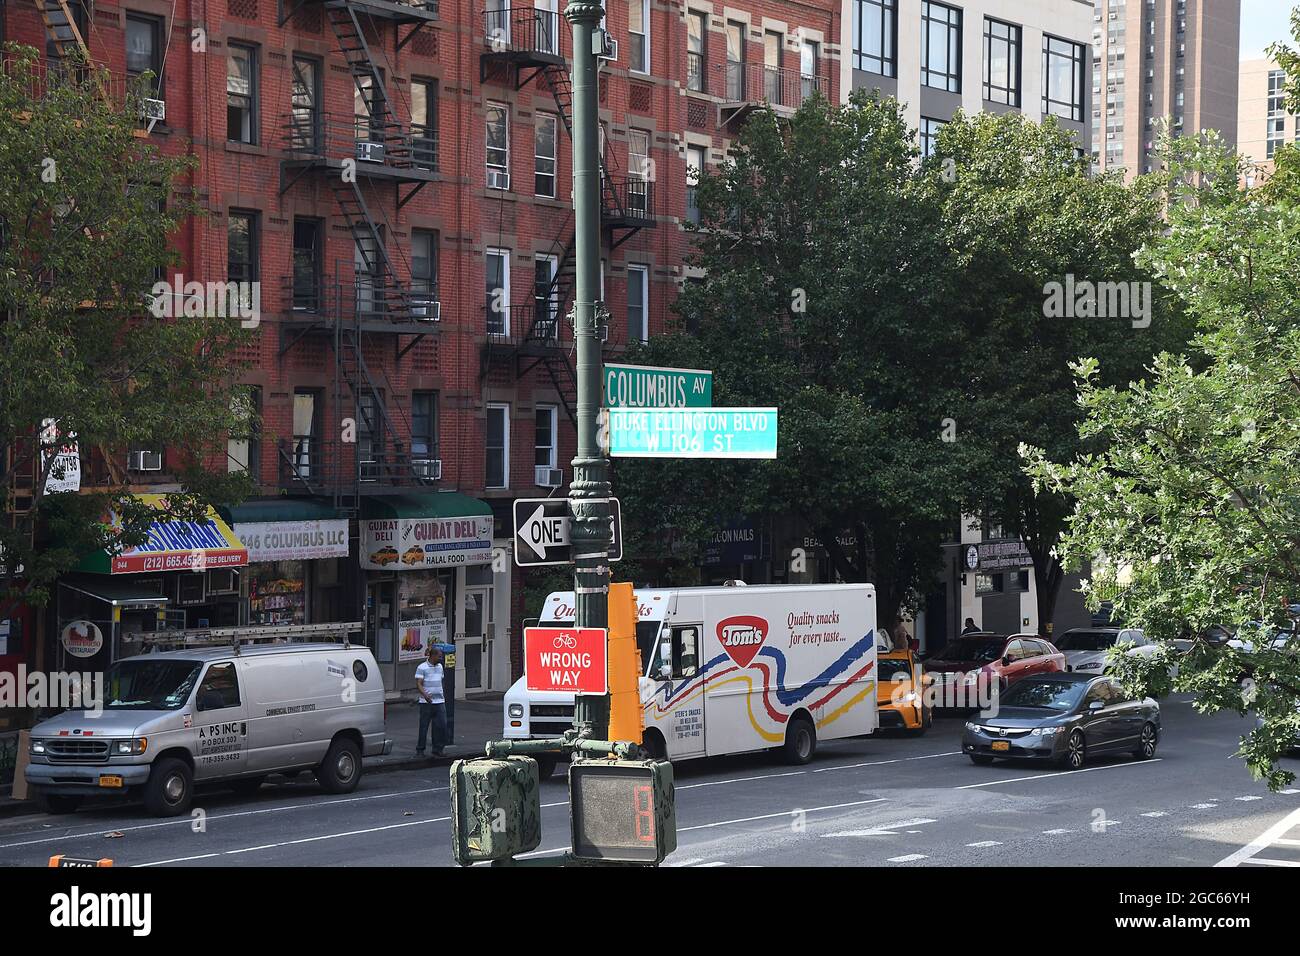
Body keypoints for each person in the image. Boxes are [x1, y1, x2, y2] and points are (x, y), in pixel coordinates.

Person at [415, 647, 447, 757]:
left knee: (441, 726)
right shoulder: (422, 667)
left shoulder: (440, 667)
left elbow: (441, 681)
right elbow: (419, 683)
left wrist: (440, 692)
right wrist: (425, 695)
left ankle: (438, 749)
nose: (441, 658)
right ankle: (420, 750)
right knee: (424, 726)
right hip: (426, 702)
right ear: (432, 656)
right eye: (439, 656)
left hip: (440, 701)